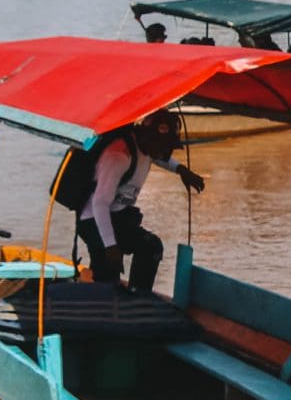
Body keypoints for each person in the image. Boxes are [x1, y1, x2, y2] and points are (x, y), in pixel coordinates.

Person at [79, 111, 205, 295]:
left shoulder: (149, 147)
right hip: (94, 219)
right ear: (148, 137)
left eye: (167, 147)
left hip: (118, 215)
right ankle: (98, 297)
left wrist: (181, 170)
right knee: (107, 271)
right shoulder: (119, 156)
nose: (164, 152)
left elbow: (162, 158)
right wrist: (110, 246)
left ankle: (139, 296)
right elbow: (99, 203)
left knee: (150, 247)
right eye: (163, 146)